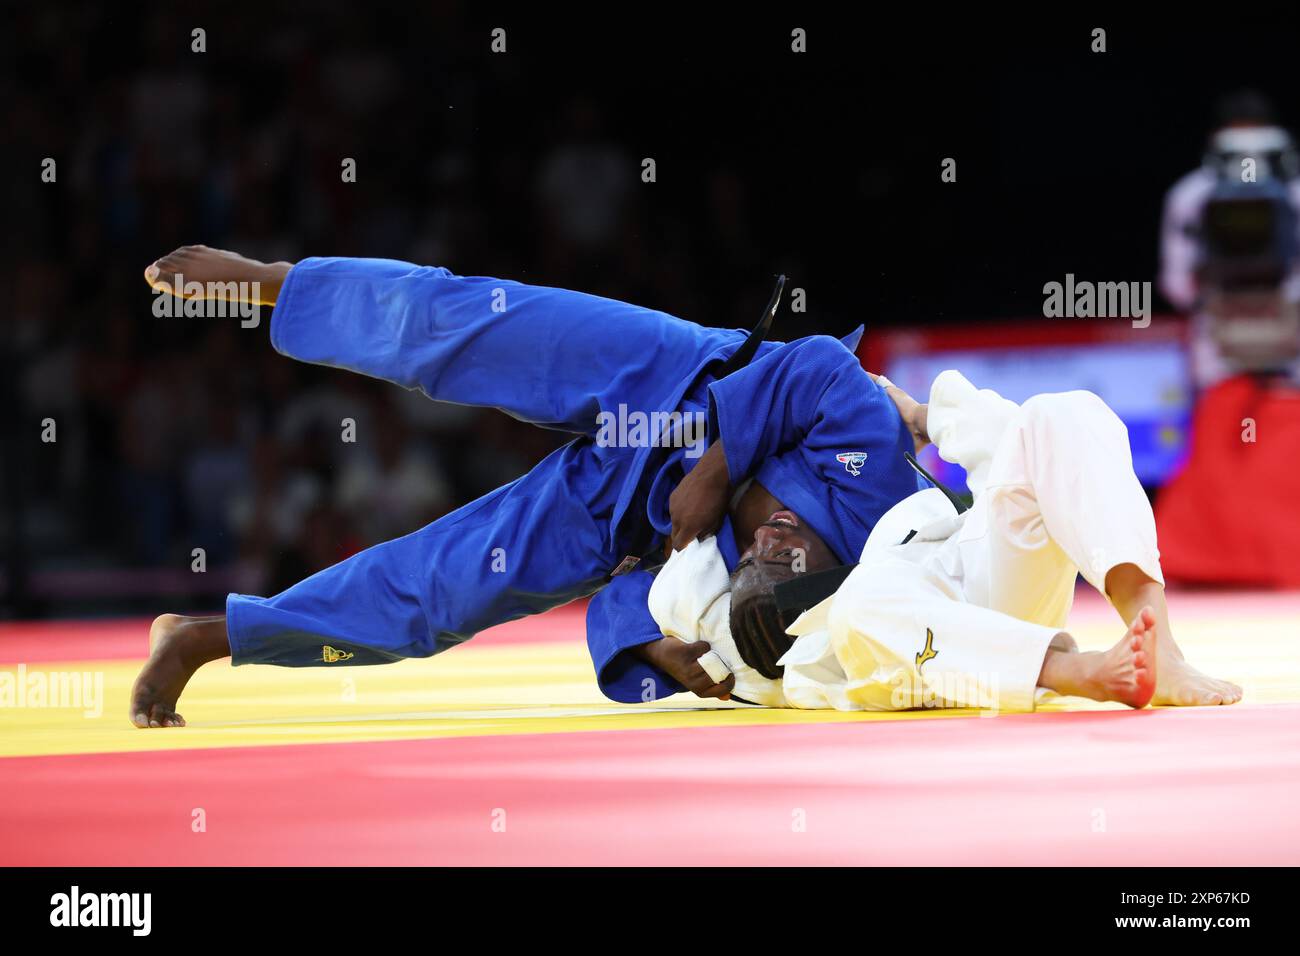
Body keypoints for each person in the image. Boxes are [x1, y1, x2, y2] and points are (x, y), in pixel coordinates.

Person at [129, 245, 924, 727]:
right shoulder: (884, 506)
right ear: (831, 561)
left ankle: (215, 635)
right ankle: (275, 281)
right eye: (785, 549)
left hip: (623, 515)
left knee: (439, 595)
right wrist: (714, 474)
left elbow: (634, 598)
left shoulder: (797, 638)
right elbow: (817, 365)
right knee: (467, 323)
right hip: (676, 378)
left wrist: (656, 649)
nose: (769, 543)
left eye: (758, 562)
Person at [687, 370, 1244, 711]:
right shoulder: (719, 577)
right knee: (856, 607)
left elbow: (1009, 439)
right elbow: (657, 603)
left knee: (1060, 413)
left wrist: (922, 415)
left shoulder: (857, 478)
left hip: (975, 570)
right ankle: (1074, 671)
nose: (772, 539)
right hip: (902, 643)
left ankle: (1162, 652)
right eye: (762, 547)